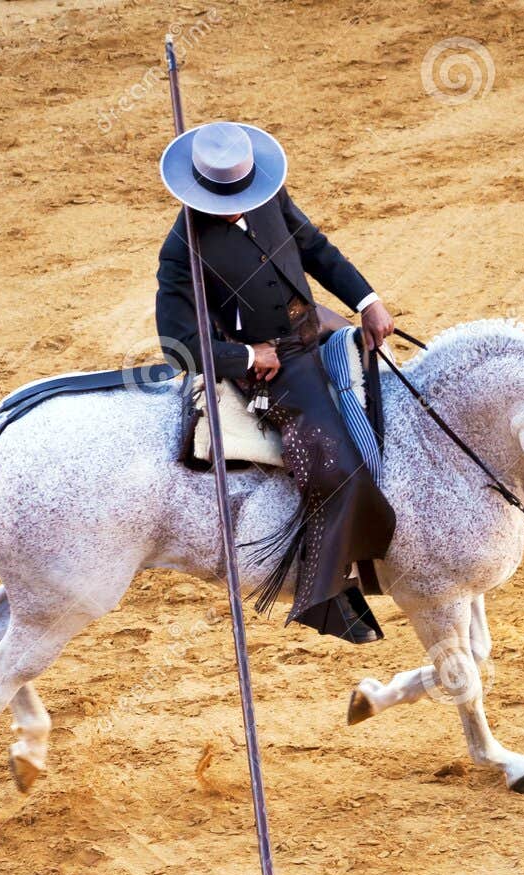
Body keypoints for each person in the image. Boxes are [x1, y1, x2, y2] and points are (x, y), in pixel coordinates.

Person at [156, 120, 395, 644]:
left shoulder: (268, 195)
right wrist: (244, 355)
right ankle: (322, 595)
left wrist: (366, 300)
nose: (236, 207)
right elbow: (175, 341)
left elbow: (314, 247)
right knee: (336, 463)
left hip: (315, 324)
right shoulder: (182, 249)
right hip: (273, 366)